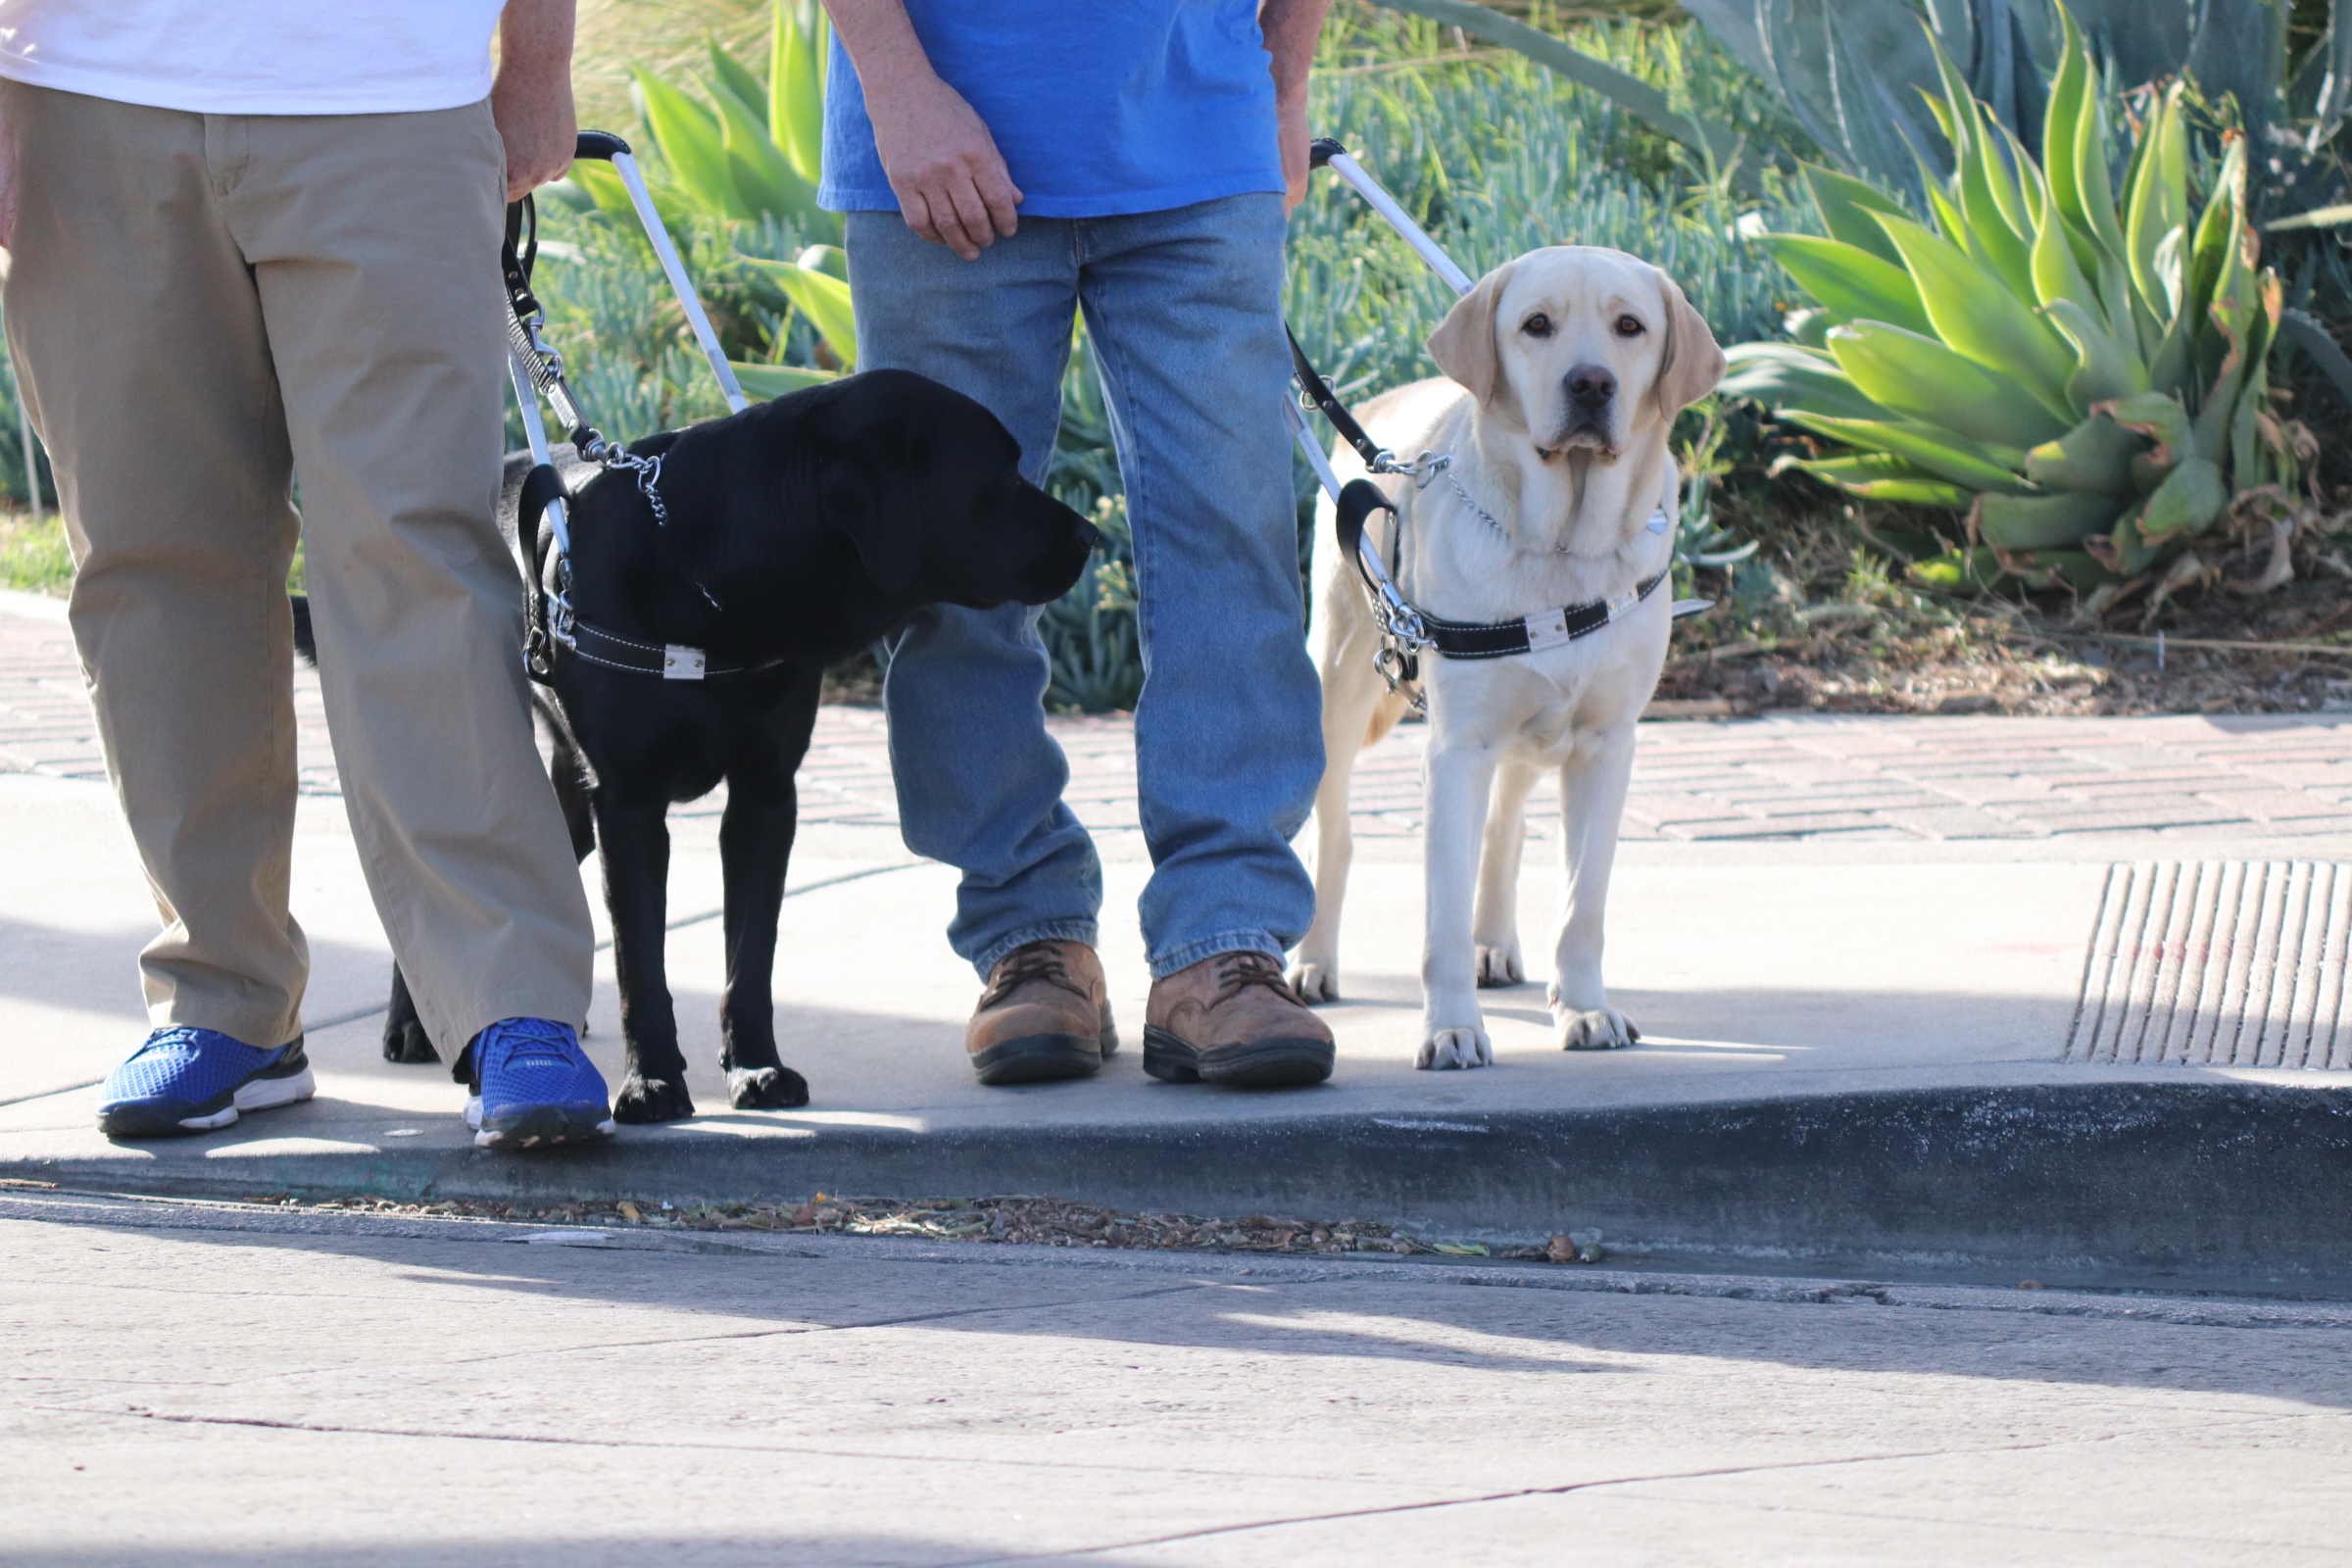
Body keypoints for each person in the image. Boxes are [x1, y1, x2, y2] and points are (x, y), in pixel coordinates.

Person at [0, 0, 613, 1149]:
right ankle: (222, 997)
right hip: (88, 98)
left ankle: (510, 1001)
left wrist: (539, 59)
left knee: (414, 552)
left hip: (388, 100)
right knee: (151, 562)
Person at [819, 0, 1340, 1090]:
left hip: (1200, 139)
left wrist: (1285, 84)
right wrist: (898, 87)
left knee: (1232, 543)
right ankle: (1028, 934)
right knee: (948, 569)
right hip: (944, 144)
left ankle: (1226, 943)